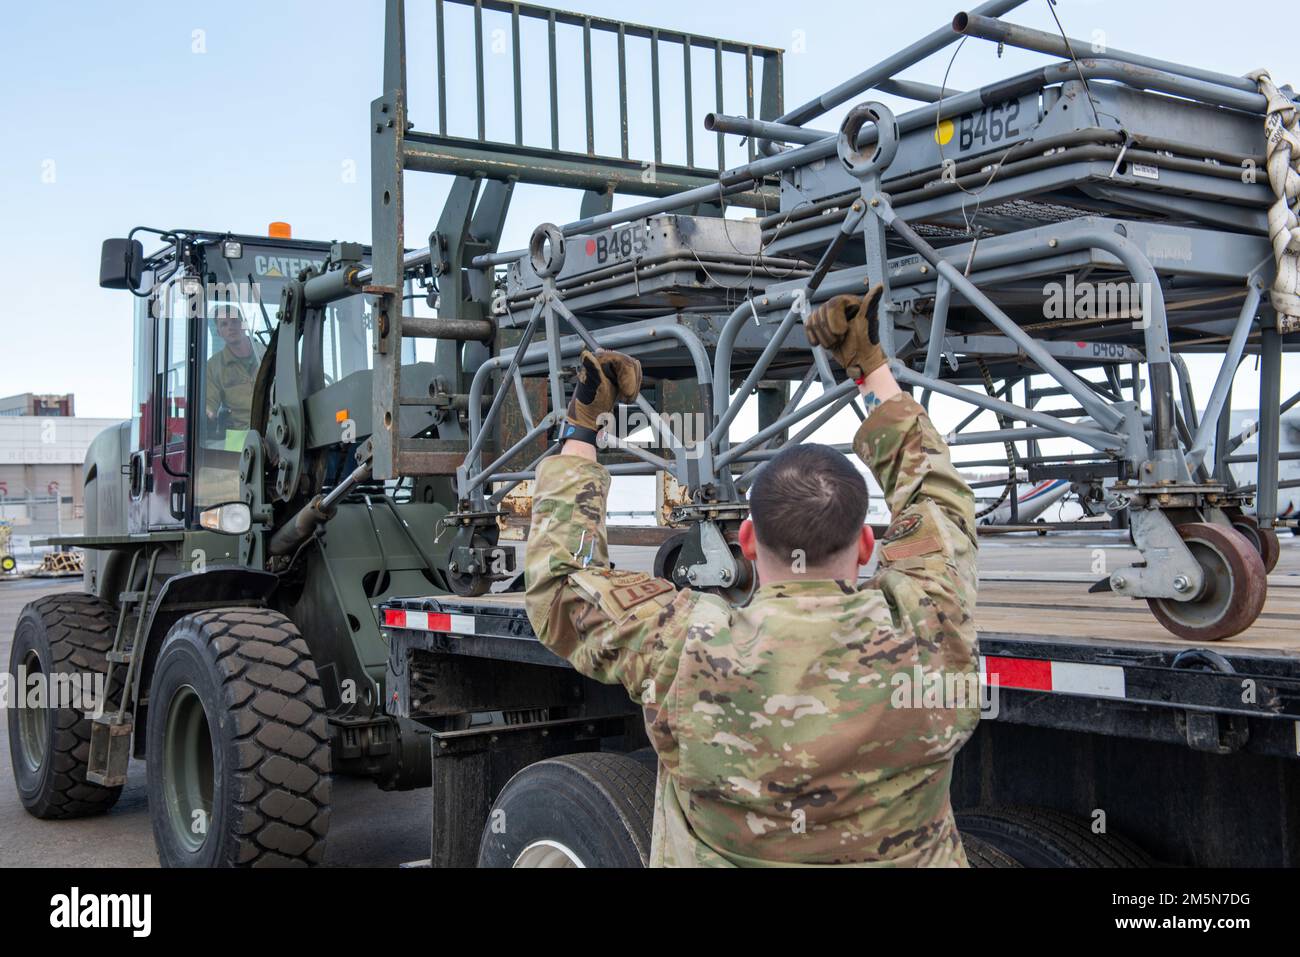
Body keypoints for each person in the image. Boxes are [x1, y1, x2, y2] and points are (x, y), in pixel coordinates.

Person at [524, 286, 980, 867]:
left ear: (744, 541)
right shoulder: (930, 626)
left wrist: (584, 428)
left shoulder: (682, 643)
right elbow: (935, 494)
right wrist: (870, 368)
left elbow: (559, 586)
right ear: (868, 546)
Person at [204, 304, 264, 431]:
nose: (231, 327)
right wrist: (207, 413)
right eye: (224, 324)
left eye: (235, 321)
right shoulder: (213, 367)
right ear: (219, 332)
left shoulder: (271, 355)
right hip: (239, 439)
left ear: (244, 325)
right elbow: (208, 404)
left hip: (278, 433)